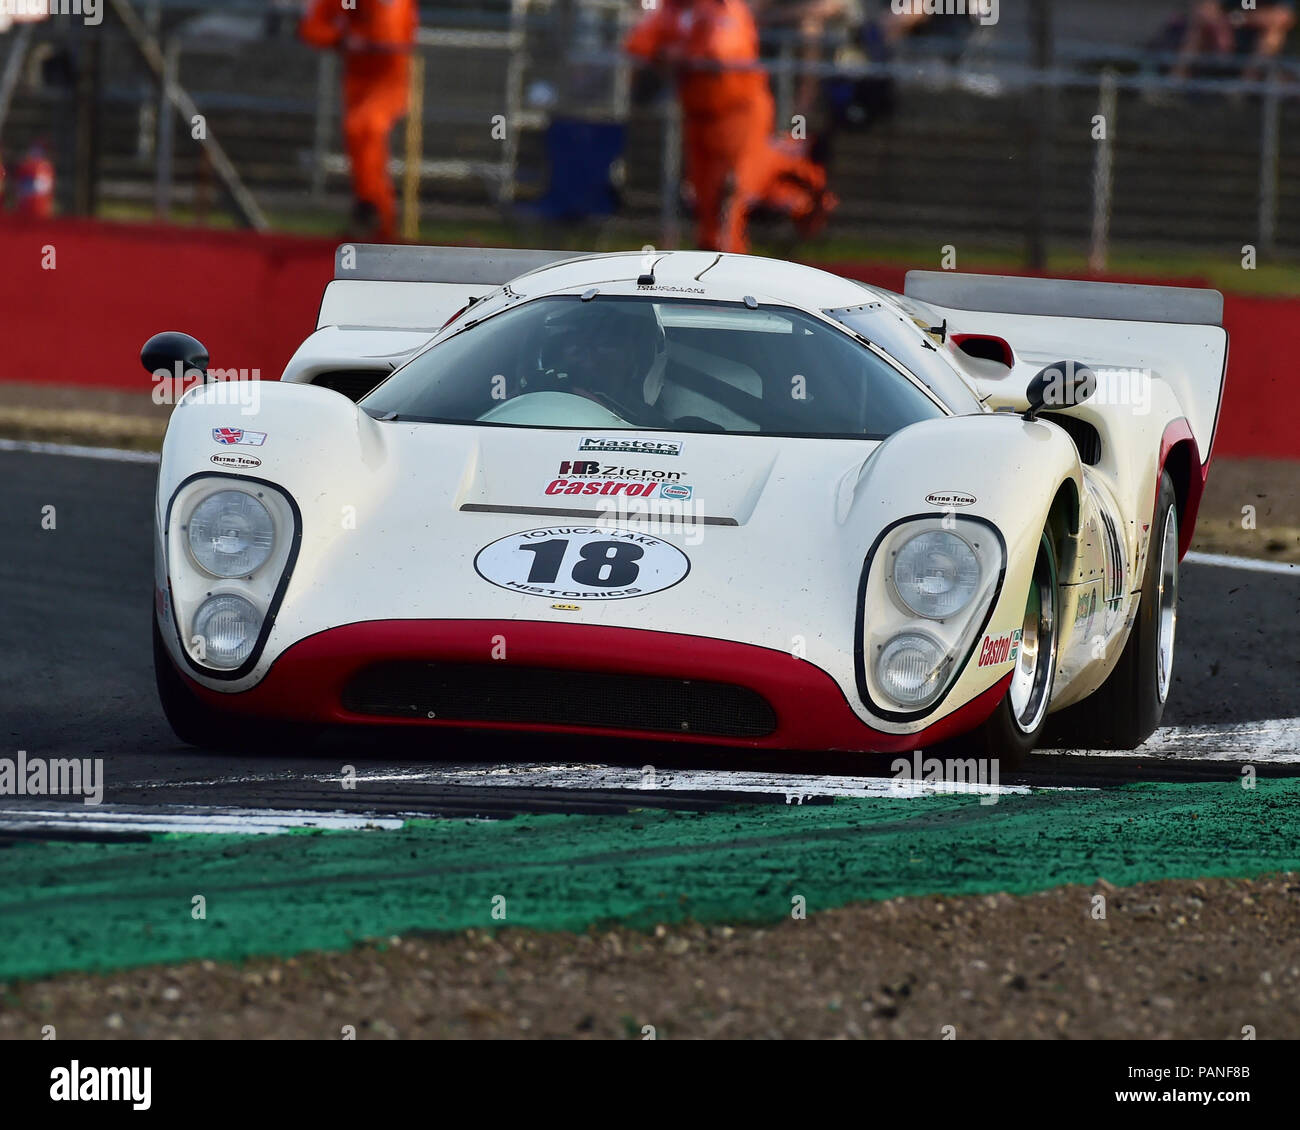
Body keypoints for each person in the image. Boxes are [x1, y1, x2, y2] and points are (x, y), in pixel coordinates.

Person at [626, 0, 835, 253]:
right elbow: (639, 45)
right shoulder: (671, 10)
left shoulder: (726, 8)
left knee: (733, 192)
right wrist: (674, 52)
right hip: (699, 116)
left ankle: (737, 253)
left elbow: (719, 54)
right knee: (704, 195)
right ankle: (708, 256)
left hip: (739, 114)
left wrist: (677, 53)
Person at [300, 0, 418, 241]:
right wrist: (341, 38)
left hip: (389, 80)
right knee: (359, 141)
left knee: (367, 127)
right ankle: (377, 217)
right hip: (357, 83)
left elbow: (391, 36)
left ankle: (372, 211)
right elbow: (311, 29)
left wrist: (361, 35)